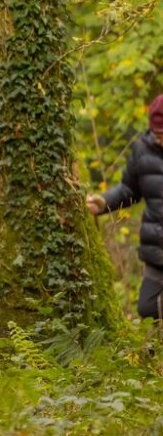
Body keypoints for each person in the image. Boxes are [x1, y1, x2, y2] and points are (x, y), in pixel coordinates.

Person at [87, 92, 163, 323]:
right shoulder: (142, 149)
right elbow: (129, 190)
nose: (160, 140)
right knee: (148, 308)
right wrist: (103, 202)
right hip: (156, 248)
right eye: (158, 134)